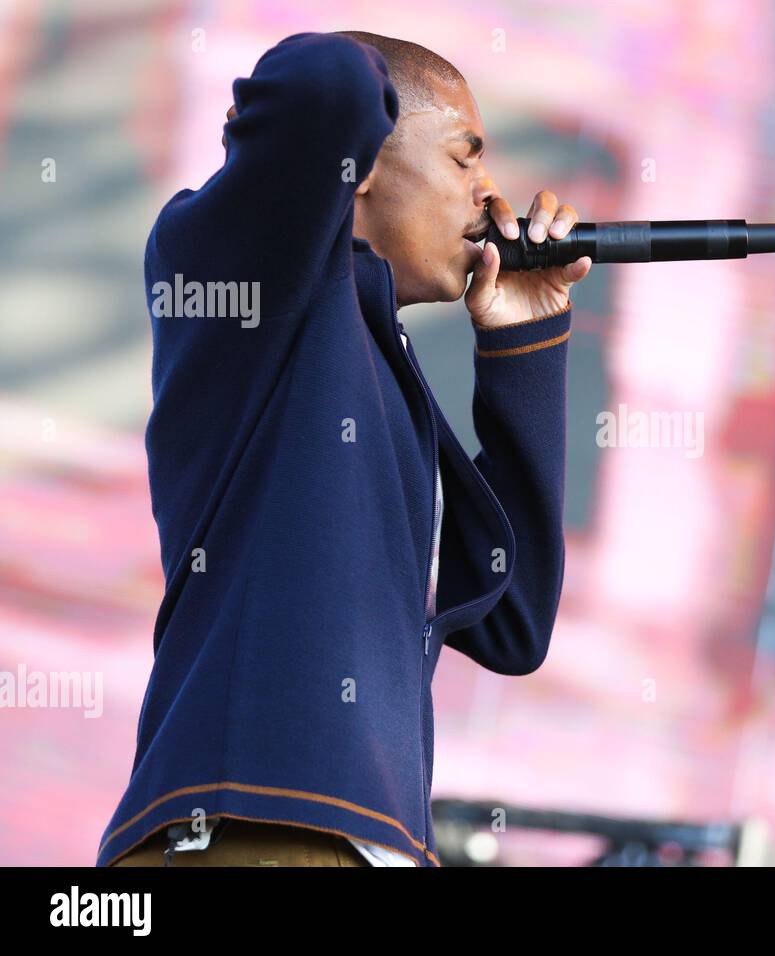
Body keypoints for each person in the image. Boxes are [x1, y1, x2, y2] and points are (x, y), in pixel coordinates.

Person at [99, 29, 590, 867]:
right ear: (361, 165)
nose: (489, 196)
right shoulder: (243, 274)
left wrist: (525, 344)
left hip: (371, 841)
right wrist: (338, 127)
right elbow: (323, 87)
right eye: (465, 158)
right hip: (257, 828)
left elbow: (513, 624)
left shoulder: (384, 369)